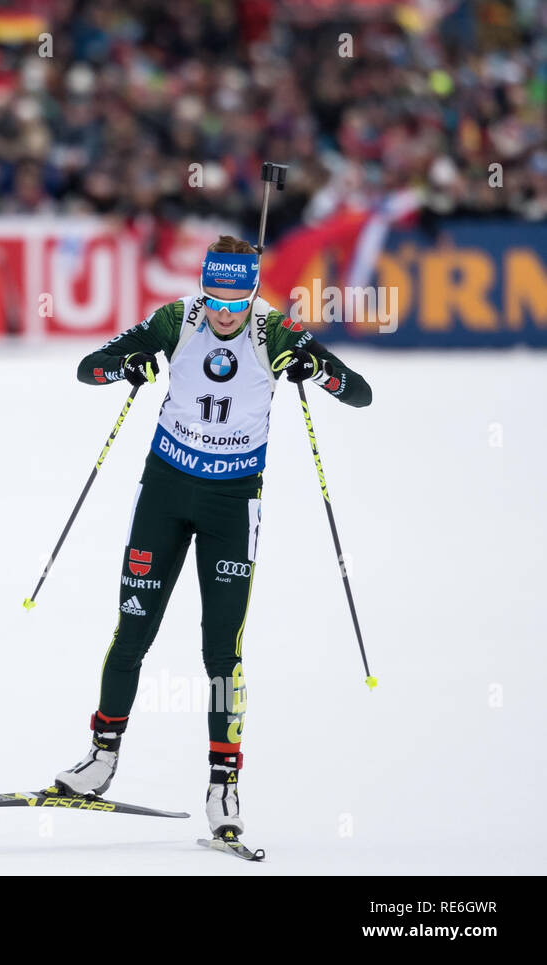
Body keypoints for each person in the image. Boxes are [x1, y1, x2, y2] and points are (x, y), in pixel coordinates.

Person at [54, 236, 372, 845]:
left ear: (253, 292)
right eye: (216, 297)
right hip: (165, 492)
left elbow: (359, 391)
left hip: (231, 503)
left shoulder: (275, 332)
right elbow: (87, 368)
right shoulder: (177, 319)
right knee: (131, 630)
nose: (225, 312)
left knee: (221, 652)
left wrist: (318, 373)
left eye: (238, 298)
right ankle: (101, 757)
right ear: (204, 288)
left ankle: (222, 785)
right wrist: (125, 367)